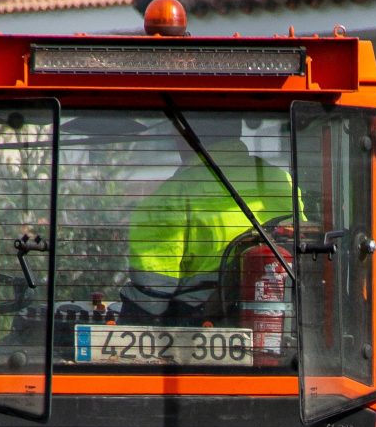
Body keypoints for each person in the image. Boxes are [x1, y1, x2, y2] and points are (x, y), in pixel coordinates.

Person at [123, 138, 295, 324]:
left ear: (181, 138)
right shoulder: (282, 181)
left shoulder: (173, 194)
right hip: (283, 325)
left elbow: (150, 298)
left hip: (200, 334)